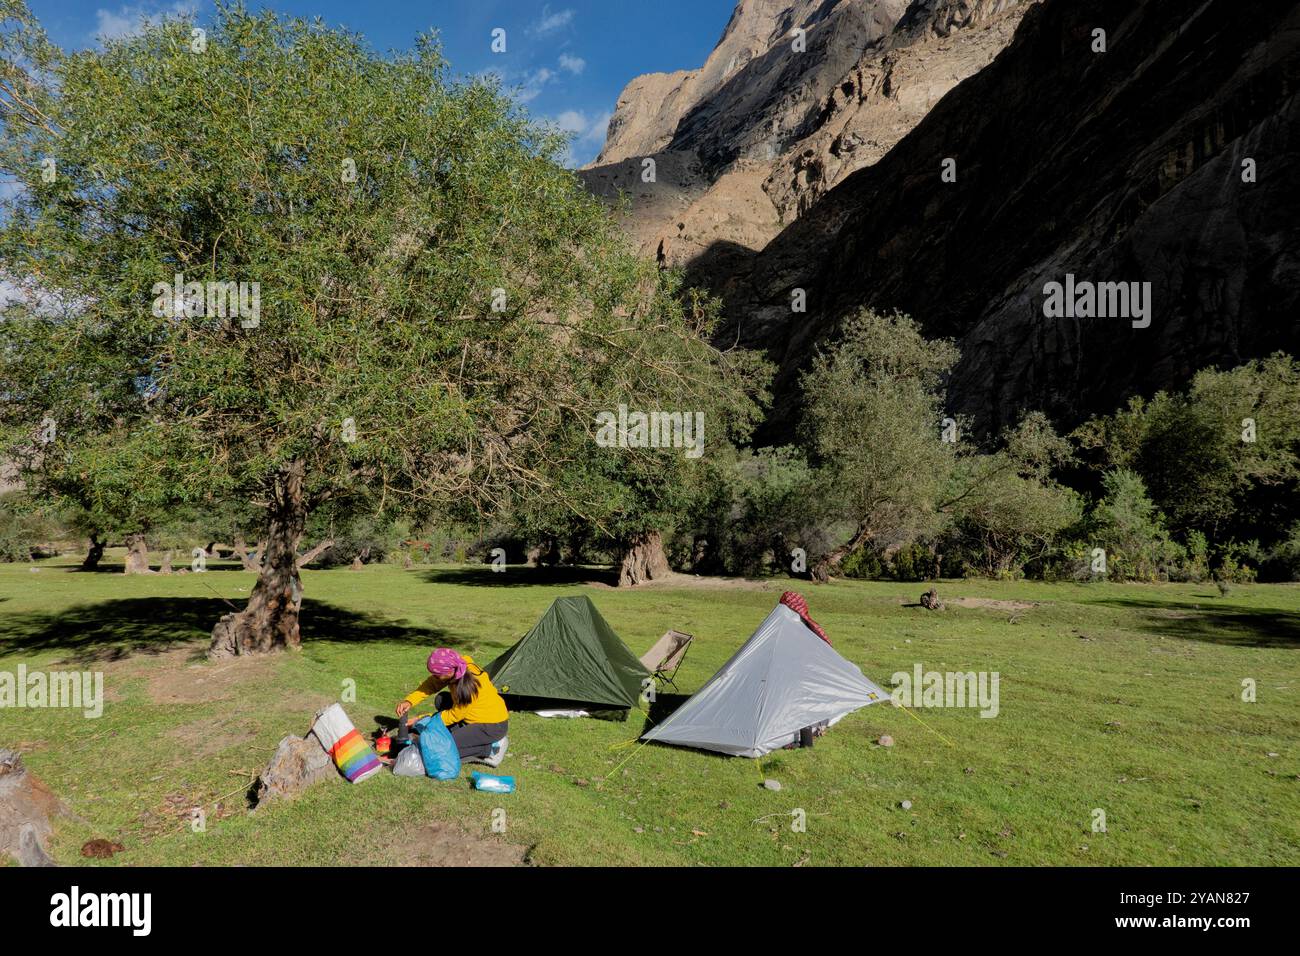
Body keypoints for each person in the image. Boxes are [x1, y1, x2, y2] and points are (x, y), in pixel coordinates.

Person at [396, 648, 509, 764]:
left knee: (442, 750)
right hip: (470, 715)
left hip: (493, 725)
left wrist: (425, 720)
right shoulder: (456, 666)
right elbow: (431, 685)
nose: (434, 677)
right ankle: (465, 733)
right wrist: (409, 701)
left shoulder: (470, 686)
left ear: (449, 672)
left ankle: (490, 749)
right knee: (441, 700)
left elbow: (455, 715)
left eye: (437, 675)